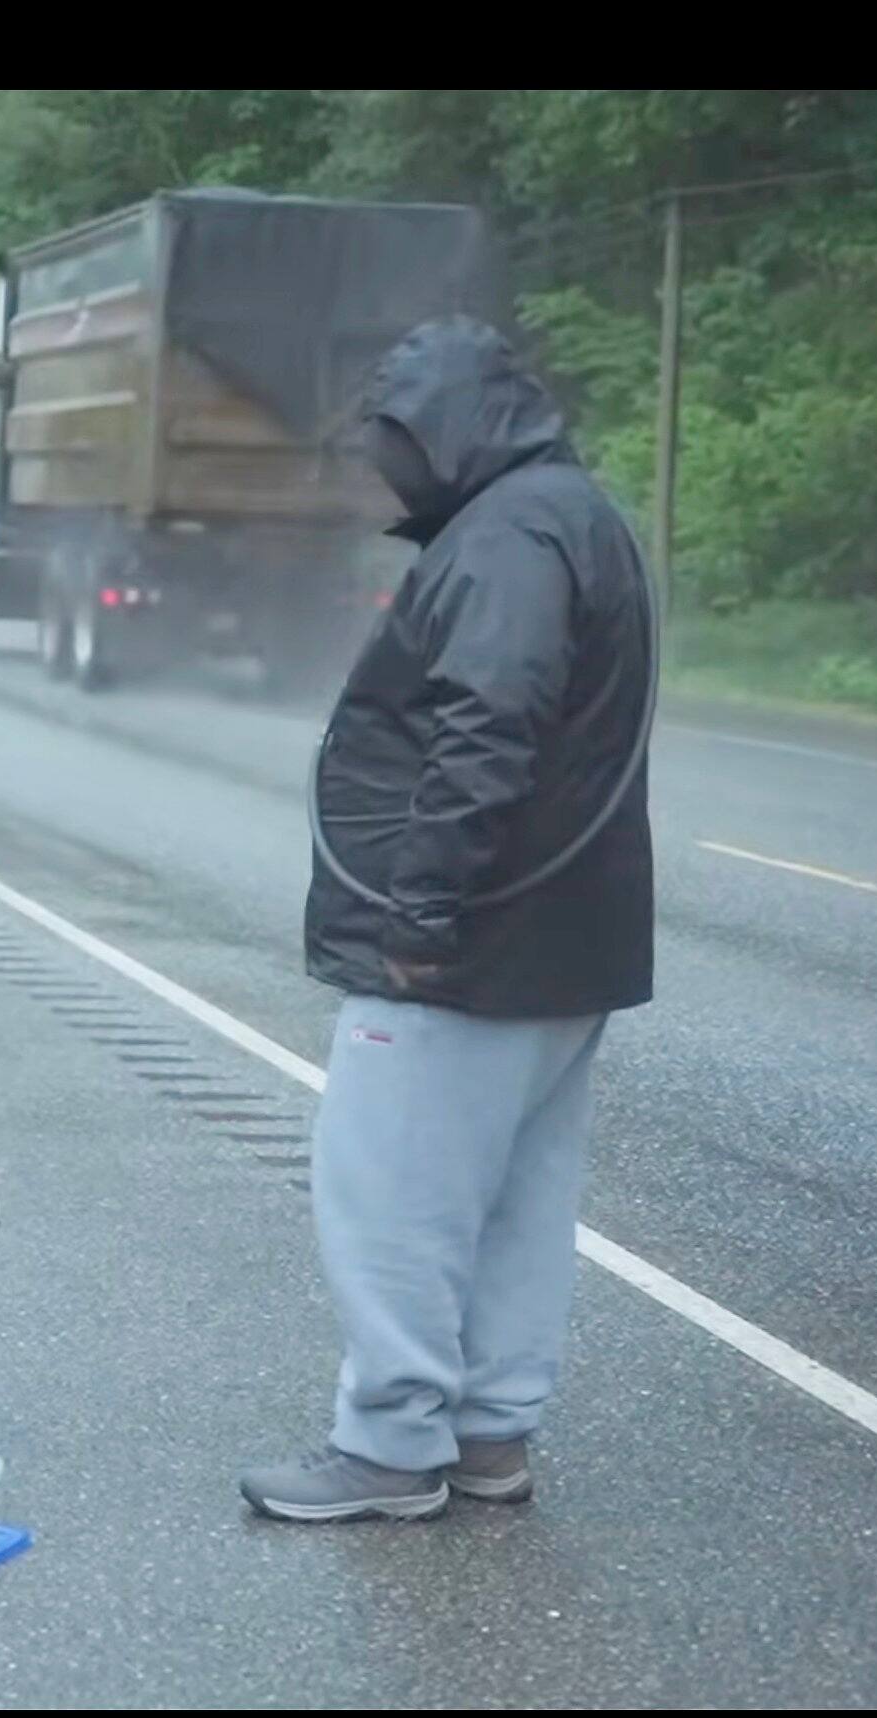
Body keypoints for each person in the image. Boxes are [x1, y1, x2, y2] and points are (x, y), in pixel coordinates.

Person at [241, 316, 656, 1523]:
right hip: (562, 944)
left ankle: (389, 1446)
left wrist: (419, 913)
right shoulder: (573, 513)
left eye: (398, 441)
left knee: (392, 1199)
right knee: (520, 1201)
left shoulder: (512, 536)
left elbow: (490, 726)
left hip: (463, 946)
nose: (388, 471)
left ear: (451, 427)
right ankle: (488, 1438)